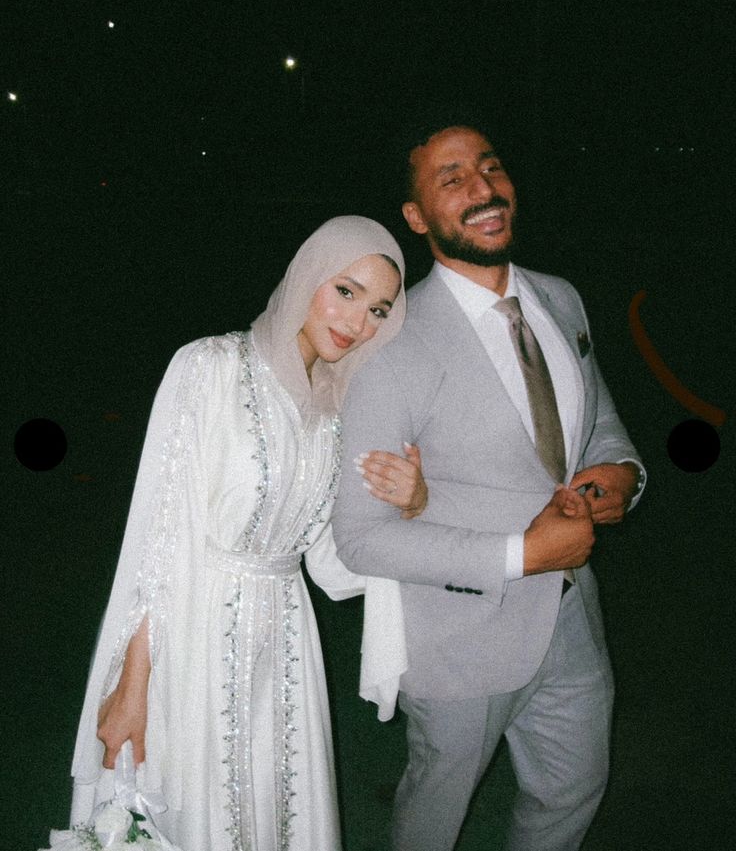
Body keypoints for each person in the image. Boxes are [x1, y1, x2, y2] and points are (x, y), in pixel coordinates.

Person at [331, 122, 646, 851]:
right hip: (459, 638)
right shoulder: (394, 346)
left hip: (573, 620)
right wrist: (520, 554)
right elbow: (361, 535)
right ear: (416, 218)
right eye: (451, 179)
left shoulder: (561, 299)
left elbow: (597, 424)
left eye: (490, 167)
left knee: (571, 794)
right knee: (433, 818)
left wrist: (621, 474)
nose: (481, 188)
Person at [66, 216, 428, 851]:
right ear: (308, 276)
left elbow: (332, 564)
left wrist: (409, 508)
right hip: (191, 637)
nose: (356, 323)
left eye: (377, 310)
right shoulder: (210, 367)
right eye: (344, 291)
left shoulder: (339, 414)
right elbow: (161, 536)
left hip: (287, 645)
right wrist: (133, 683)